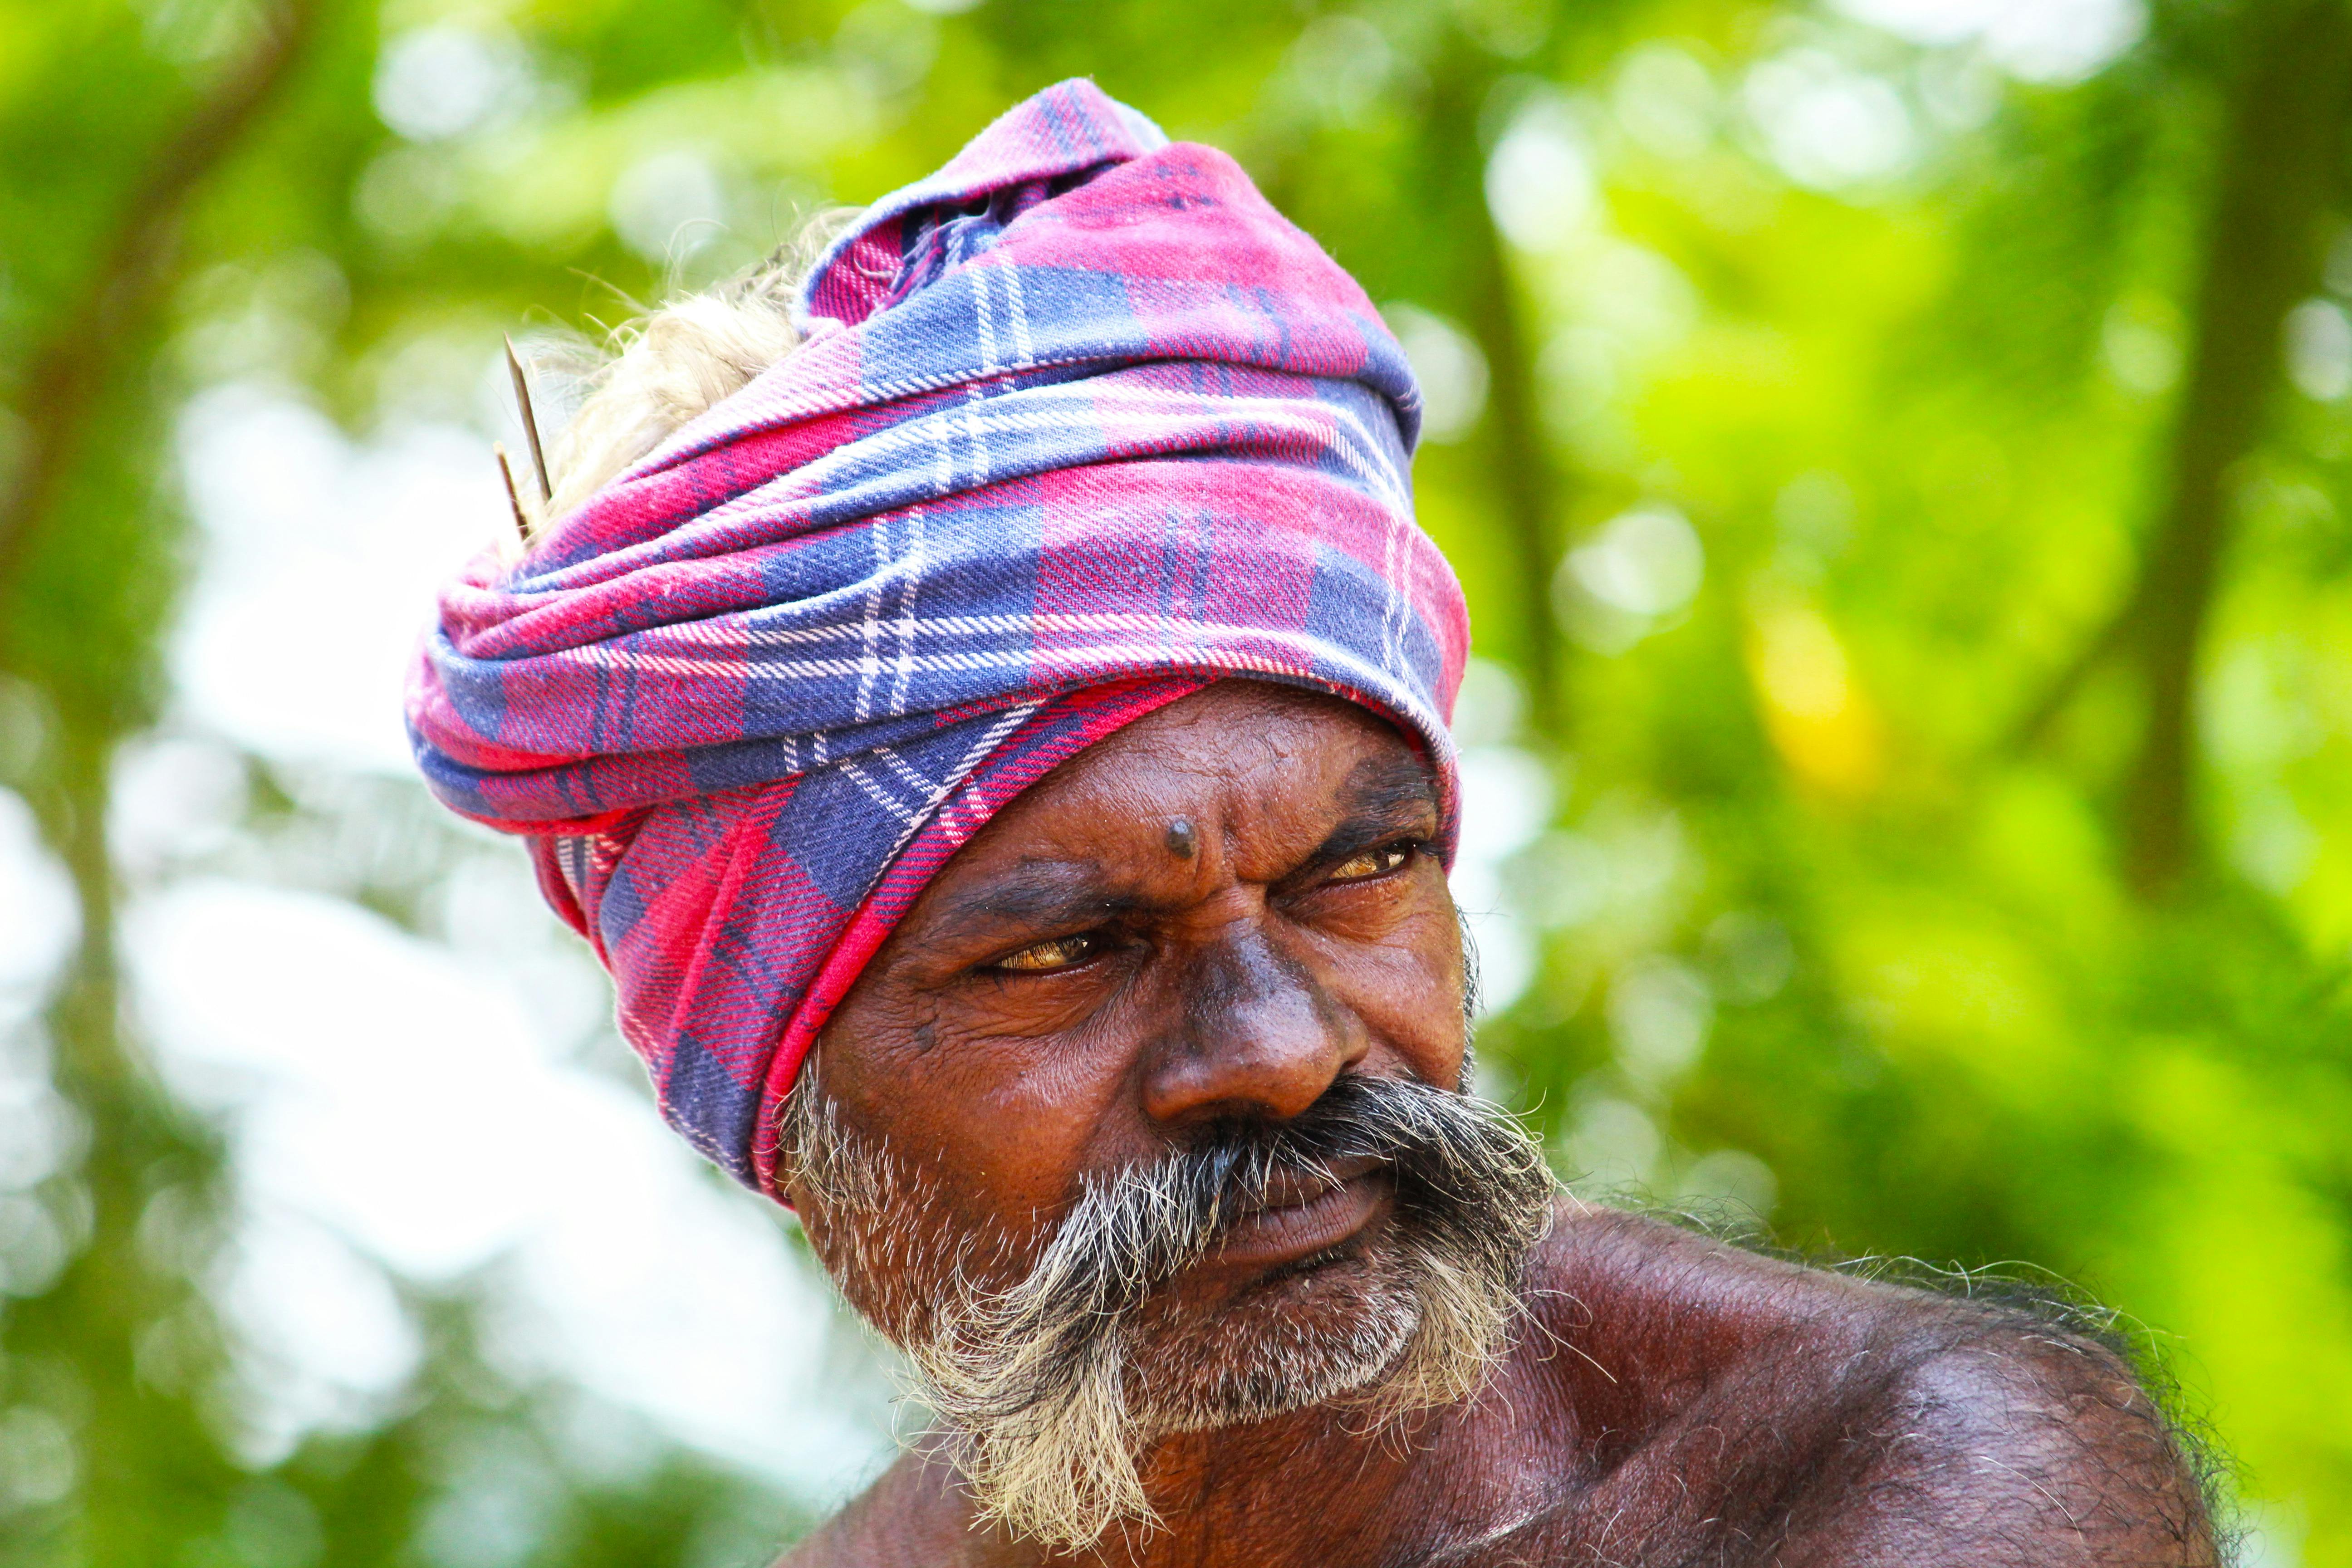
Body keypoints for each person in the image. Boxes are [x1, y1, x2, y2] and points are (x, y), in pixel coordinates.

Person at [408, 81, 2219, 1566]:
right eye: (1065, 951)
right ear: (784, 1101)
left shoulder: (1899, 1487)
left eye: (1359, 871)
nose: (1276, 1055)